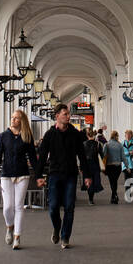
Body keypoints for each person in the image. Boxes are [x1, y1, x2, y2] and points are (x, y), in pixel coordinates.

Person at [35, 104, 89, 248]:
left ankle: (65, 237)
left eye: (68, 114)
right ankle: (57, 227)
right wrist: (38, 175)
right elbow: (42, 157)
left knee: (69, 207)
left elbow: (82, 156)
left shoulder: (75, 134)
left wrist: (87, 175)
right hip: (54, 175)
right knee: (53, 207)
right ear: (57, 115)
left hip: (71, 175)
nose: (68, 116)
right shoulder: (50, 134)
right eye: (65, 114)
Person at [0, 108, 39, 249]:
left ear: (22, 121)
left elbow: (32, 158)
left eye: (17, 118)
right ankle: (9, 226)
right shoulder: (3, 136)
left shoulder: (27, 136)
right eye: (12, 117)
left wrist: (38, 175)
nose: (13, 119)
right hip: (6, 175)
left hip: (23, 175)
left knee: (19, 206)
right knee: (8, 207)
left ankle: (17, 237)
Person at [102, 130, 126, 203]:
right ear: (117, 136)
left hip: (110, 166)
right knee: (114, 181)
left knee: (112, 181)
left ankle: (114, 195)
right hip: (118, 166)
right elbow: (123, 157)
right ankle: (114, 196)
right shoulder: (120, 145)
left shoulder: (107, 144)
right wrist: (127, 166)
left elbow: (104, 155)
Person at [81, 127, 104, 205]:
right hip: (95, 165)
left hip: (86, 165)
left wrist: (81, 167)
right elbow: (102, 155)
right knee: (94, 181)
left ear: (87, 135)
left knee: (88, 182)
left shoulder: (83, 144)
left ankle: (90, 198)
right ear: (94, 135)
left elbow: (82, 157)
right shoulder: (98, 144)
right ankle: (91, 198)